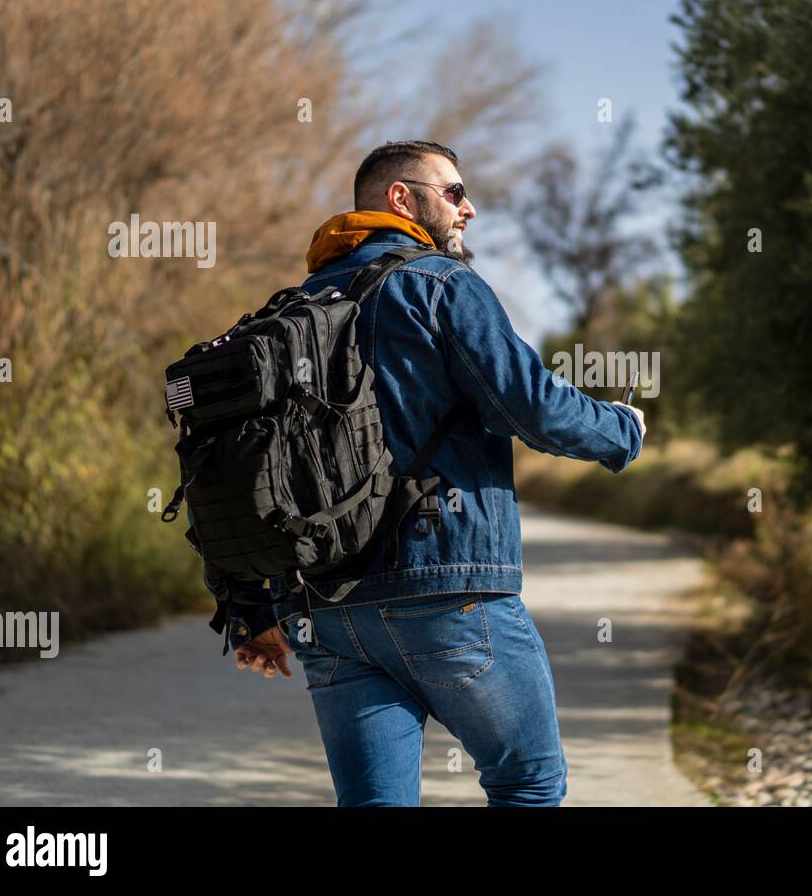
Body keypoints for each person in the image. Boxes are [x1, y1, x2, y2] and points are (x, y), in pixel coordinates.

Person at [223, 139, 646, 806]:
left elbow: (237, 464)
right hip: (449, 590)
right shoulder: (440, 284)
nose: (468, 208)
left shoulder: (286, 315)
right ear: (401, 198)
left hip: (327, 611)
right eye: (453, 192)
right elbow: (529, 404)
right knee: (527, 781)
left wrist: (251, 607)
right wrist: (622, 430)